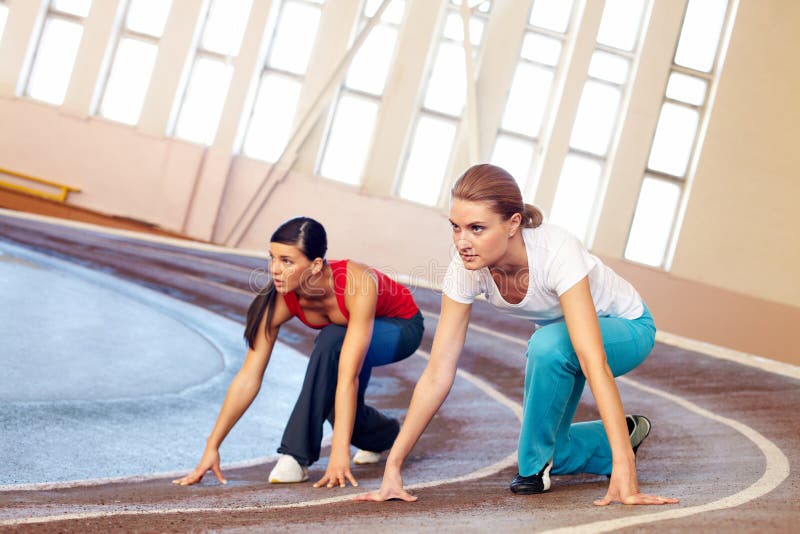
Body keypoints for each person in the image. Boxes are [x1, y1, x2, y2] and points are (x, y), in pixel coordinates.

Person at [358, 164, 678, 505]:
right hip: (561, 340)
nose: (462, 242)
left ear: (513, 224)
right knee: (553, 445)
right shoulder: (467, 268)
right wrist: (393, 467)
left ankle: (557, 464)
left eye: (477, 228)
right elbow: (438, 372)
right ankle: (608, 440)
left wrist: (624, 469)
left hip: (628, 328)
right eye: (456, 227)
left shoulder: (556, 251)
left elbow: (592, 359)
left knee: (547, 344)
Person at [173, 216, 423, 488]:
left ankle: (296, 455)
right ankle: (384, 434)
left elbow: (347, 377)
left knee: (331, 341)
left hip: (401, 328)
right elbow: (248, 377)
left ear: (316, 265)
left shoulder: (356, 283)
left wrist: (339, 455)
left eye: (287, 261)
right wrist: (212, 446)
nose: (275, 270)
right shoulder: (279, 300)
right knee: (332, 398)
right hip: (348, 336)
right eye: (273, 258)